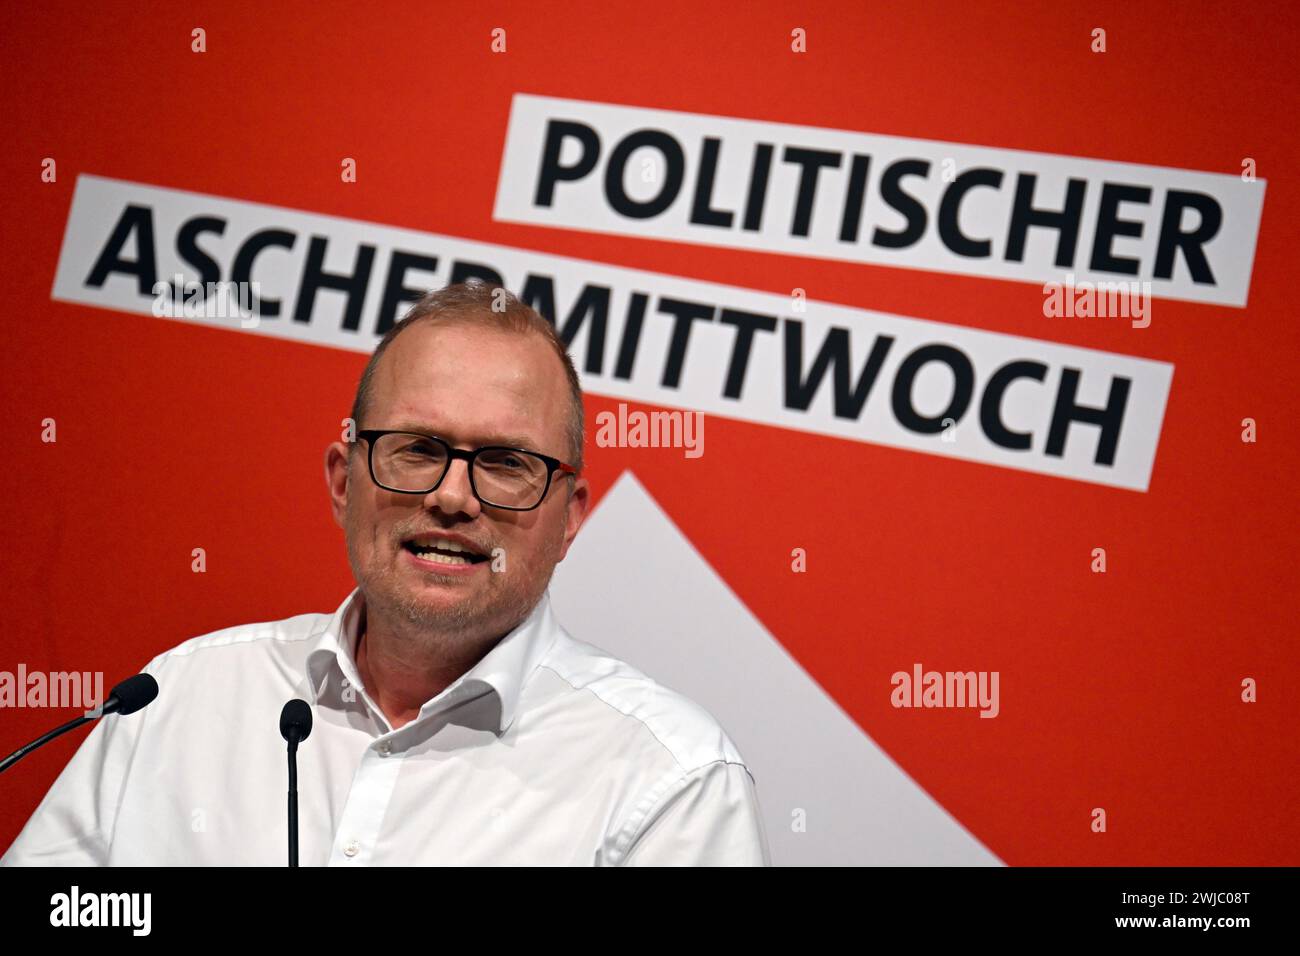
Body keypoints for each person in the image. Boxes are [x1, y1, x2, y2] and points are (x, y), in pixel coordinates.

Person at [1, 280, 770, 866]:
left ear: (569, 517)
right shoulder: (176, 704)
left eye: (506, 463)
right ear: (344, 481)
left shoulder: (672, 783)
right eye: (417, 449)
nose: (451, 497)